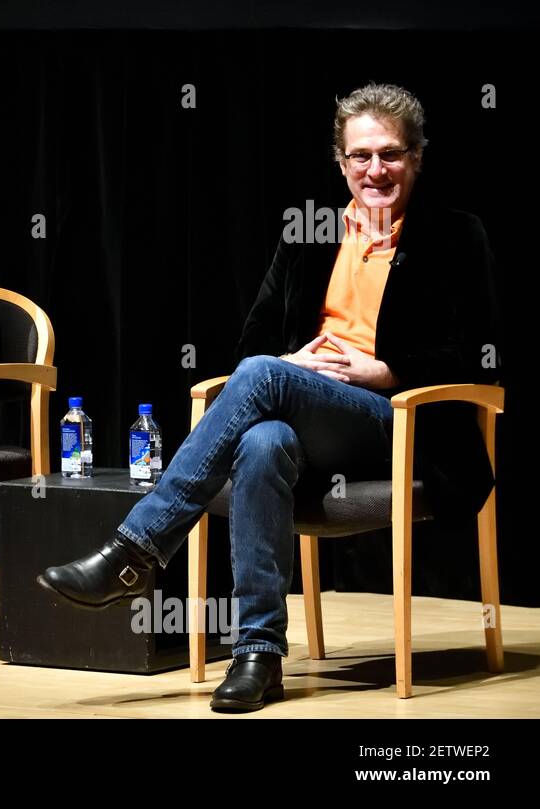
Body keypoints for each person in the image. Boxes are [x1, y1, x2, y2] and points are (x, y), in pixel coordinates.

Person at [38, 83, 500, 711]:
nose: (375, 170)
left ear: (417, 157)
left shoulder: (453, 235)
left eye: (391, 154)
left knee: (262, 379)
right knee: (261, 439)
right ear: (339, 162)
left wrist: (382, 371)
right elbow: (254, 341)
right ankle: (259, 654)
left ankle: (136, 551)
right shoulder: (309, 235)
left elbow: (477, 351)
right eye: (359, 156)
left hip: (403, 426)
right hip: (313, 426)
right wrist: (293, 363)